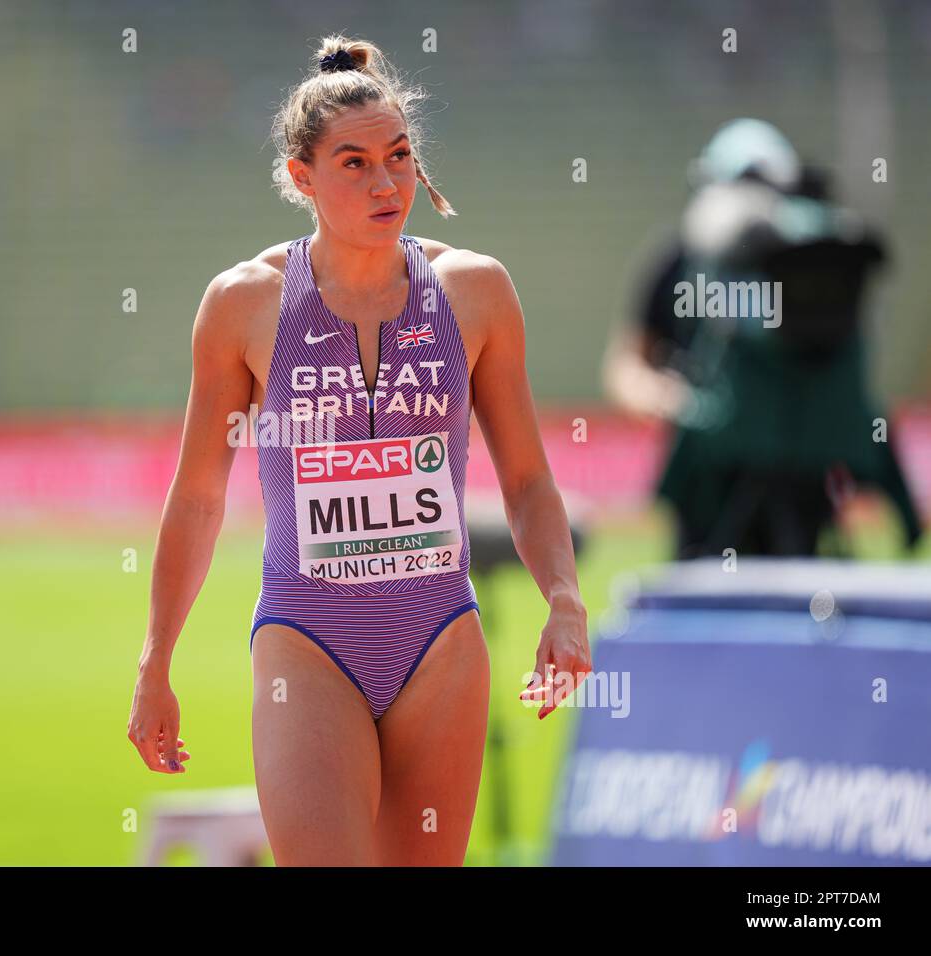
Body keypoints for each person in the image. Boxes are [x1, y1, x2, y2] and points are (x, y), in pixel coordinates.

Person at [128, 36, 591, 866]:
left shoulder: (476, 291)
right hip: (308, 644)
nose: (387, 183)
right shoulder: (245, 306)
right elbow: (198, 495)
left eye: (401, 157)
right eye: (355, 164)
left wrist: (564, 599)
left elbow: (525, 481)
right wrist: (155, 660)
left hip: (440, 641)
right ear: (302, 178)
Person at [602, 118, 922, 559]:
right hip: (714, 495)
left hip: (808, 487)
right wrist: (673, 400)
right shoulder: (679, 261)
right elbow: (626, 366)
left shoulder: (821, 256)